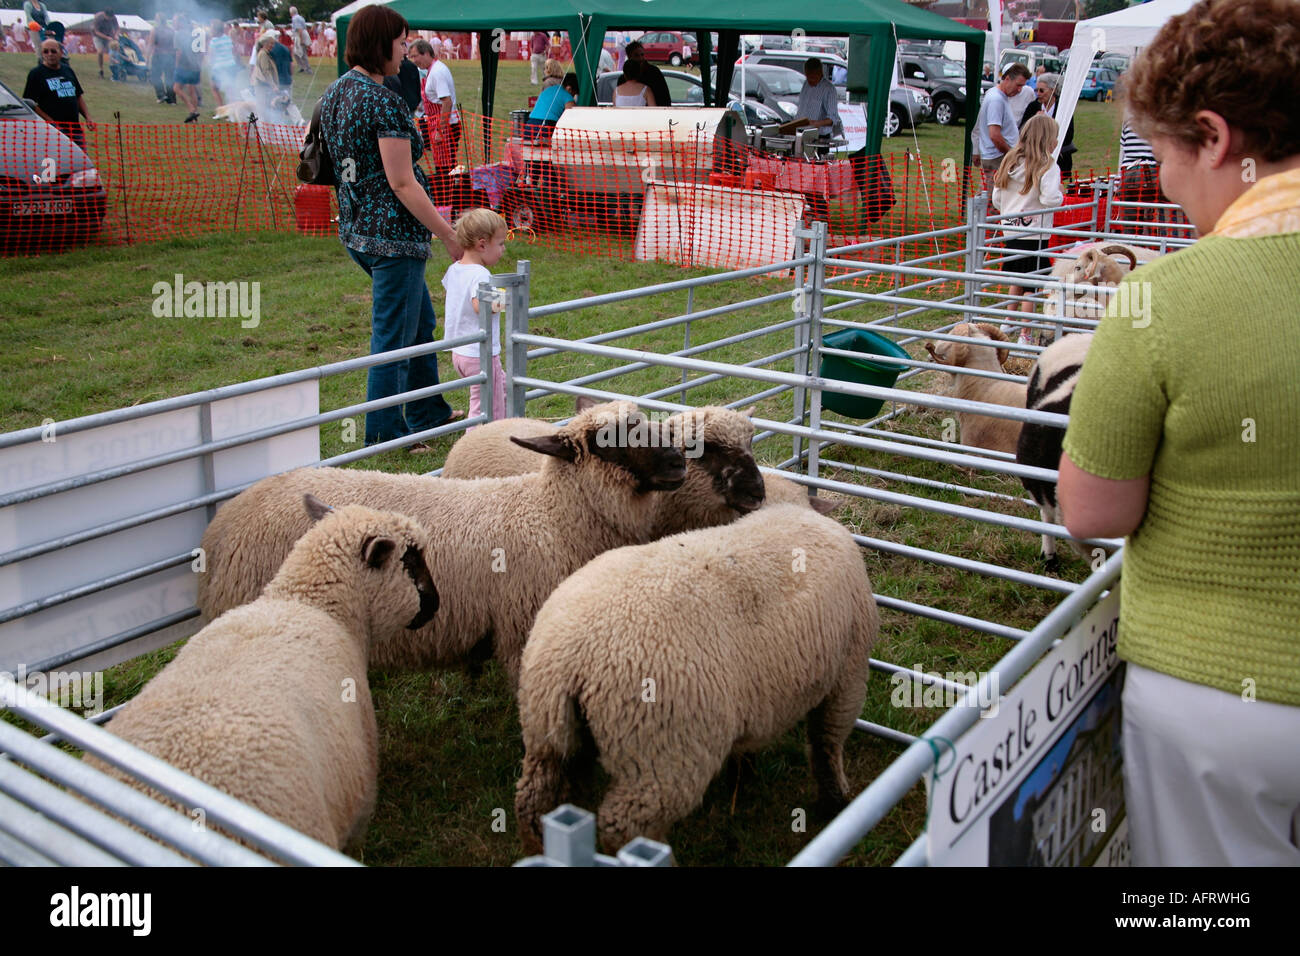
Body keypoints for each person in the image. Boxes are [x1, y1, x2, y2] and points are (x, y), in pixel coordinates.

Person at [1058, 0, 1300, 867]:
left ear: (1214, 137)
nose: (1160, 181)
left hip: (1224, 706)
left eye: (1161, 153)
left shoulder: (1166, 299)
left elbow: (1091, 511)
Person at [318, 4, 464, 451]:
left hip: (357, 229)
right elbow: (402, 181)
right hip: (392, 238)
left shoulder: (337, 91)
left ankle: (426, 412)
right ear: (382, 43)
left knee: (418, 322)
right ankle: (385, 433)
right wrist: (447, 233)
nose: (406, 52)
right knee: (394, 336)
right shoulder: (382, 100)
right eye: (402, 43)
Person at [991, 113, 1062, 339]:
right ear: (1048, 140)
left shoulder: (1010, 160)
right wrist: (1061, 197)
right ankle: (1025, 333)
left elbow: (996, 197)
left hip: (1010, 229)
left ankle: (1008, 322)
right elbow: (1050, 198)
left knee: (1016, 278)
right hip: (1035, 233)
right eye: (1056, 138)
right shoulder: (1047, 165)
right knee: (1032, 285)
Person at [442, 208, 509, 427]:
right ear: (482, 244)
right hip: (480, 352)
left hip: (459, 351)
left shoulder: (455, 269)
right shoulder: (481, 274)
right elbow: (482, 306)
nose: (503, 249)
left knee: (501, 385)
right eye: (500, 244)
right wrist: (508, 298)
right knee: (487, 408)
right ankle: (482, 446)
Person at [23, 38, 93, 147]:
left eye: (53, 51)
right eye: (46, 51)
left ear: (61, 53)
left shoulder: (68, 70)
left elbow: (78, 96)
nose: (50, 54)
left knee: (81, 162)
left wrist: (88, 117)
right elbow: (30, 103)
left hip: (74, 129)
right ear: (42, 54)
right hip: (52, 132)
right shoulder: (36, 74)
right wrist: (51, 123)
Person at [974, 62, 1031, 195]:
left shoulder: (997, 96)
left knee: (989, 196)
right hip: (997, 158)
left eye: (1022, 86)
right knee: (992, 199)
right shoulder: (996, 100)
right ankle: (976, 216)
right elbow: (994, 135)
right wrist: (1011, 155)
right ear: (1007, 79)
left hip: (996, 157)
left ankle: (976, 214)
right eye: (1018, 85)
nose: (1019, 90)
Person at [1019, 74, 1075, 179]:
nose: (1038, 94)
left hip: (1059, 158)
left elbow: (1069, 135)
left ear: (1053, 90)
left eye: (1041, 91)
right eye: (1036, 90)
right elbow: (1022, 131)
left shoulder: (1063, 108)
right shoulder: (1033, 107)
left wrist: (1050, 125)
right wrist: (1034, 121)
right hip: (1034, 158)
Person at [793, 57, 843, 139]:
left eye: (812, 77)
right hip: (801, 132)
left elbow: (832, 119)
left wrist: (816, 123)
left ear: (820, 73)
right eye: (808, 77)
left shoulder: (829, 89)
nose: (810, 80)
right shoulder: (806, 84)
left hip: (819, 136)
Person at [525, 71, 577, 138]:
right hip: (546, 127)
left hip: (529, 125)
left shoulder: (549, 89)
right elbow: (571, 118)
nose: (573, 97)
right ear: (569, 88)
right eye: (574, 94)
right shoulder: (567, 96)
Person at [173, 15, 202, 123]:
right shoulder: (194, 33)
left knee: (176, 88)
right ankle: (194, 118)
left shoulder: (178, 34)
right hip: (195, 66)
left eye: (174, 21)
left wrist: (176, 65)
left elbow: (178, 52)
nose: (174, 23)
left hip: (184, 66)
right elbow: (200, 51)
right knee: (192, 90)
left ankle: (191, 109)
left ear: (181, 22)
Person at [382, 37, 423, 115]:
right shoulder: (412, 66)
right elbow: (418, 85)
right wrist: (417, 100)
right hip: (411, 102)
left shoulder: (392, 69)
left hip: (400, 104)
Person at [623, 41, 670, 107]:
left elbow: (665, 98)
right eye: (636, 55)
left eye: (642, 55)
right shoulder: (623, 78)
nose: (641, 58)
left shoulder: (655, 73)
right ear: (629, 57)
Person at [207, 20, 238, 108]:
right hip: (231, 65)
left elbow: (211, 55)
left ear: (215, 30)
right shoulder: (228, 38)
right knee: (230, 88)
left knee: (214, 88)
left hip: (219, 67)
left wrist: (210, 64)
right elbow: (233, 51)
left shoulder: (213, 41)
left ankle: (221, 109)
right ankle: (232, 109)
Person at [146, 12, 175, 105]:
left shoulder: (155, 30)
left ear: (158, 20)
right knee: (169, 78)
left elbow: (150, 45)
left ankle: (161, 95)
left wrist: (147, 58)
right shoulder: (171, 30)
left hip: (159, 55)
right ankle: (172, 99)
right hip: (170, 56)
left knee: (154, 76)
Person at [250, 33, 279, 119]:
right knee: (262, 108)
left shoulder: (264, 53)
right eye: (271, 43)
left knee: (264, 107)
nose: (273, 46)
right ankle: (263, 125)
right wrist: (273, 85)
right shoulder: (263, 54)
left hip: (263, 85)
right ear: (265, 43)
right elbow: (266, 71)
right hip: (261, 85)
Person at [91, 8, 118, 79]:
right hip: (98, 36)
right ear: (105, 14)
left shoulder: (113, 17)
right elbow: (96, 31)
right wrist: (107, 37)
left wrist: (115, 34)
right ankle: (101, 70)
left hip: (108, 34)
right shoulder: (98, 18)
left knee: (114, 52)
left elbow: (117, 28)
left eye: (111, 18)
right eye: (108, 17)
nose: (109, 19)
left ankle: (115, 71)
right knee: (100, 52)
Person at [289, 6, 312, 73]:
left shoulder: (295, 18)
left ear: (291, 12)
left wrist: (301, 40)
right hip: (300, 35)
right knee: (297, 53)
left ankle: (307, 69)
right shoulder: (300, 17)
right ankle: (303, 67)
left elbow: (299, 29)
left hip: (300, 36)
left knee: (302, 53)